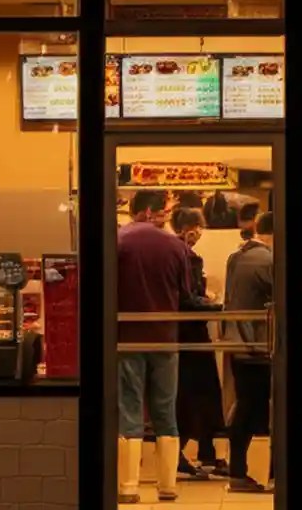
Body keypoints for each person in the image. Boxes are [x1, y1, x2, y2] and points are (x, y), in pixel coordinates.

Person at [117, 190, 191, 503]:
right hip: (165, 337)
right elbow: (187, 294)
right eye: (164, 211)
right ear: (150, 211)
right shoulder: (176, 245)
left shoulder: (118, 241)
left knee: (129, 407)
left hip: (126, 338)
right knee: (165, 409)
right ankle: (167, 485)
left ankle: (128, 486)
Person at [171, 208, 227, 480]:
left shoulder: (175, 253)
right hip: (192, 333)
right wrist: (214, 305)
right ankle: (196, 452)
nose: (200, 233)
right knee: (201, 393)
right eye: (198, 227)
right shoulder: (188, 257)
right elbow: (189, 297)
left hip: (178, 334)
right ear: (188, 229)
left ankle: (205, 452)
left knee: (192, 393)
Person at [224, 210, 275, 493]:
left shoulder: (237, 256)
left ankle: (238, 471)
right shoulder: (267, 260)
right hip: (257, 345)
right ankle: (245, 473)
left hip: (237, 343)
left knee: (245, 405)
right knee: (254, 407)